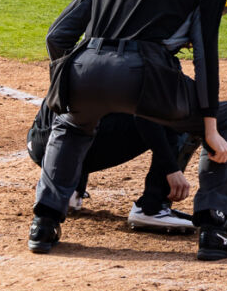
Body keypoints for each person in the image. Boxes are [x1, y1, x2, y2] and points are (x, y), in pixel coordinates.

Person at [28, 0, 227, 260]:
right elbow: (206, 59)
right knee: (225, 118)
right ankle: (214, 228)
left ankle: (45, 221)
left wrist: (65, 83)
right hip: (146, 75)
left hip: (85, 66)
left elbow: (58, 35)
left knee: (73, 123)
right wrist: (209, 128)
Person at [26, 98, 200, 234]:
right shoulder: (137, 57)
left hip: (42, 141)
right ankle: (153, 207)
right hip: (80, 142)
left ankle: (68, 188)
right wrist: (171, 169)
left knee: (84, 107)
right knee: (181, 111)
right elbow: (146, 119)